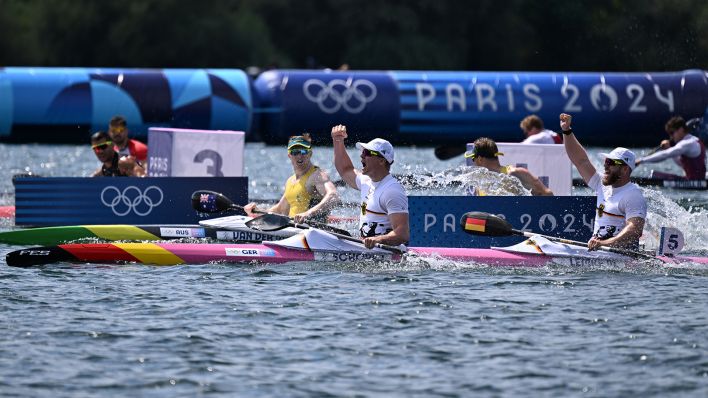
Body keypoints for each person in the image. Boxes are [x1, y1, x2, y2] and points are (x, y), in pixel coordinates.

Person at [559, 113, 647, 251]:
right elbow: (580, 161)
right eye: (606, 161)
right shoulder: (601, 185)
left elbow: (635, 229)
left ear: (624, 170)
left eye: (611, 162)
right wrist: (567, 131)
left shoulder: (633, 195)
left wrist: (605, 243)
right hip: (598, 251)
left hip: (621, 257)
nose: (605, 165)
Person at [331, 125, 410, 249]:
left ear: (382, 160)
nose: (362, 156)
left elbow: (402, 234)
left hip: (386, 254)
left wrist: (376, 240)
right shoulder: (366, 181)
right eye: (362, 152)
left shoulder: (392, 191)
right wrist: (338, 140)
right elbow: (345, 169)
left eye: (367, 152)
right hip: (366, 249)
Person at [244, 134, 339, 223]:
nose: (299, 156)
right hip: (293, 230)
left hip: (312, 231)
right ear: (289, 155)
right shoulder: (290, 181)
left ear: (310, 153)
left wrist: (308, 213)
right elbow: (280, 210)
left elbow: (333, 196)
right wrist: (256, 211)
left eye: (303, 151)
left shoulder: (317, 175)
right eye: (295, 152)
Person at [464, 137, 554, 196]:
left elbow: (548, 194)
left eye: (473, 159)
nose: (473, 164)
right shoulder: (479, 182)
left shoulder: (515, 173)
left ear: (479, 159)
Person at [635, 116, 706, 180]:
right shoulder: (695, 140)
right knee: (654, 174)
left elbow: (665, 155)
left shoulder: (686, 143)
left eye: (672, 133)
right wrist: (669, 148)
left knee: (653, 176)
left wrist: (641, 160)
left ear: (681, 129)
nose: (671, 137)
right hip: (696, 180)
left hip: (693, 182)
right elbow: (683, 164)